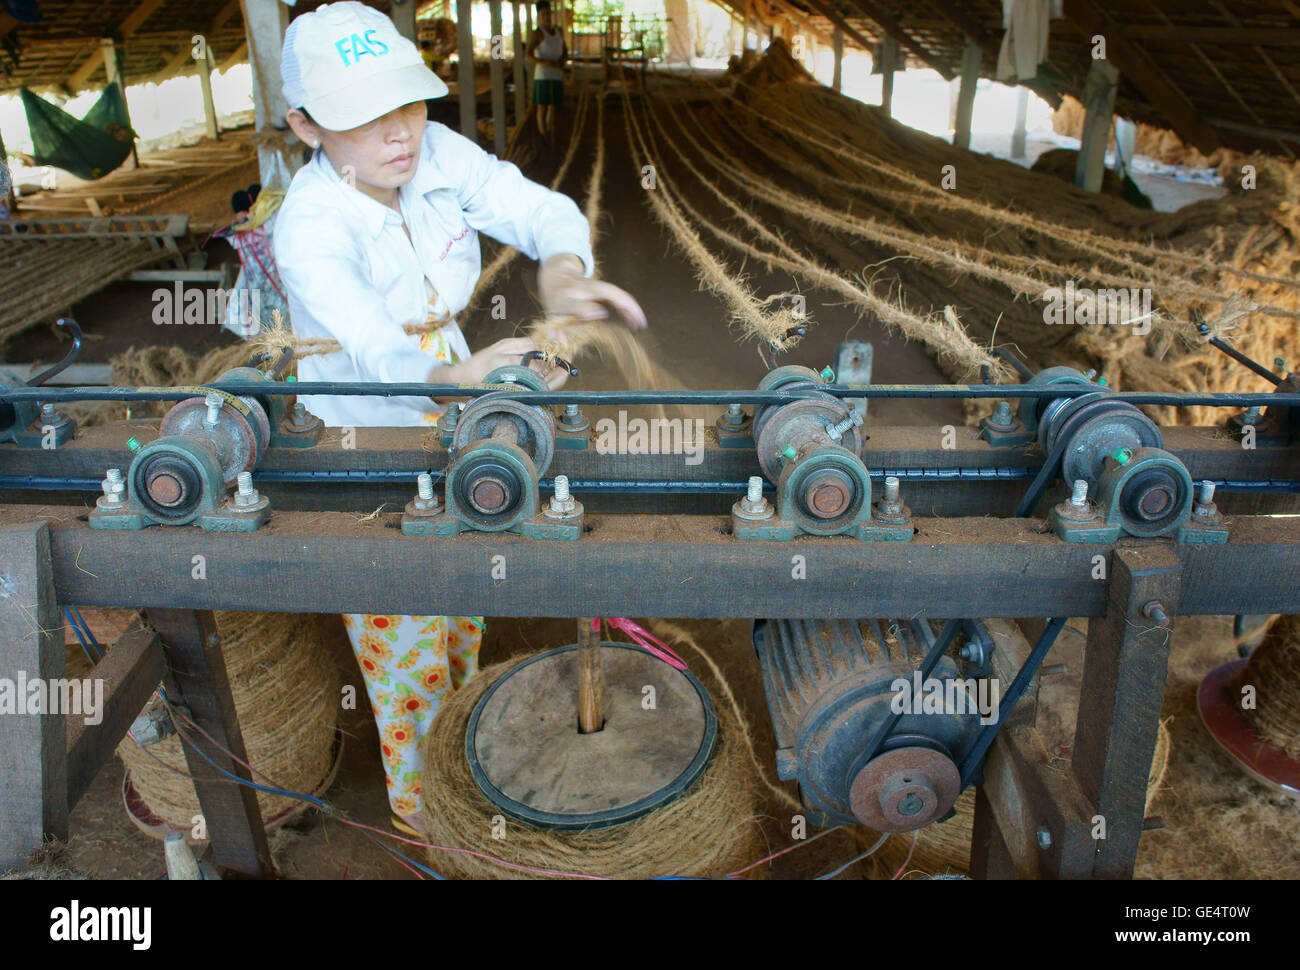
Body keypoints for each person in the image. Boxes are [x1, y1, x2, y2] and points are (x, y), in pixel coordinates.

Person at [273, 1, 645, 837]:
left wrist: (561, 274)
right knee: (400, 628)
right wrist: (459, 379)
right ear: (304, 126)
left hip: (450, 382)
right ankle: (424, 813)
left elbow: (537, 208)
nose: (398, 133)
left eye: (407, 104)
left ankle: (462, 744)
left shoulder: (435, 153)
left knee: (461, 594)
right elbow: (374, 354)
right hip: (361, 425)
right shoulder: (310, 227)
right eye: (363, 121)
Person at [525, 0, 566, 139]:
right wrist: (544, 62)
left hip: (556, 73)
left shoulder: (558, 31)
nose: (547, 16)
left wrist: (563, 61)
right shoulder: (537, 33)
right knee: (542, 106)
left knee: (552, 106)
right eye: (543, 14)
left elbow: (565, 51)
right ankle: (543, 135)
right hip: (543, 74)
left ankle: (549, 130)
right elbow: (528, 55)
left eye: (548, 13)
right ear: (539, 16)